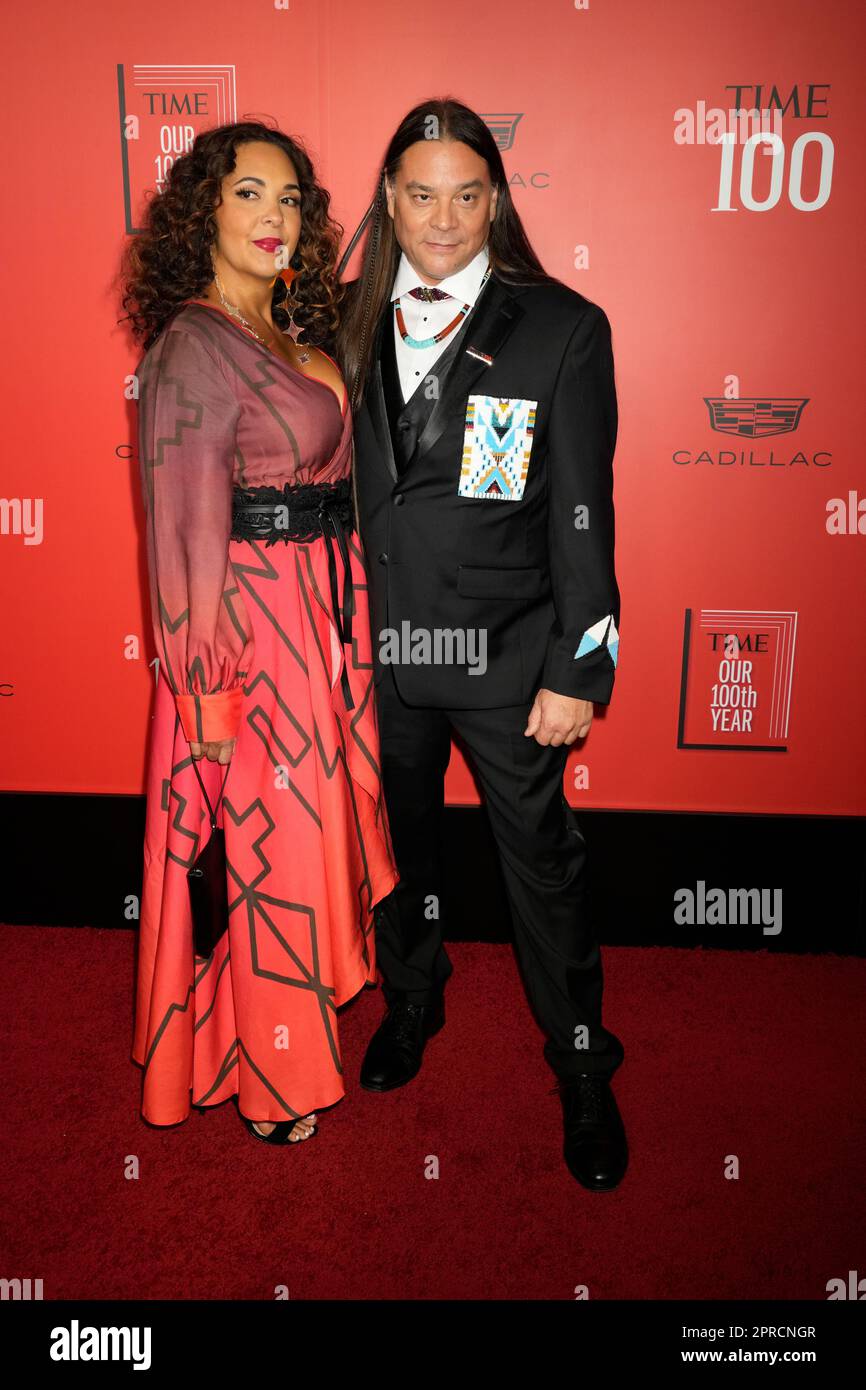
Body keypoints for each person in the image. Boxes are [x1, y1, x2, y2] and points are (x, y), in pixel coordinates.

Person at [336, 98, 627, 1190]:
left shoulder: (560, 326)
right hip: (381, 657)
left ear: (494, 200)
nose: (442, 217)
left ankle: (581, 1060)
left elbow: (582, 512)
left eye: (465, 194)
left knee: (541, 868)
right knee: (403, 851)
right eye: (420, 194)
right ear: (389, 200)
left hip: (509, 660)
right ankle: (413, 995)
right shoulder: (348, 314)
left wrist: (576, 667)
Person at [122, 121, 398, 1145]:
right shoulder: (193, 346)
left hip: (318, 613)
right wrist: (206, 693)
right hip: (249, 629)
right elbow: (182, 530)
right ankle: (274, 1080)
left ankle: (252, 1040)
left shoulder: (279, 330)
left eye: (290, 200)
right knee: (273, 853)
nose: (275, 217)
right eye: (249, 194)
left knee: (302, 840)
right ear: (204, 212)